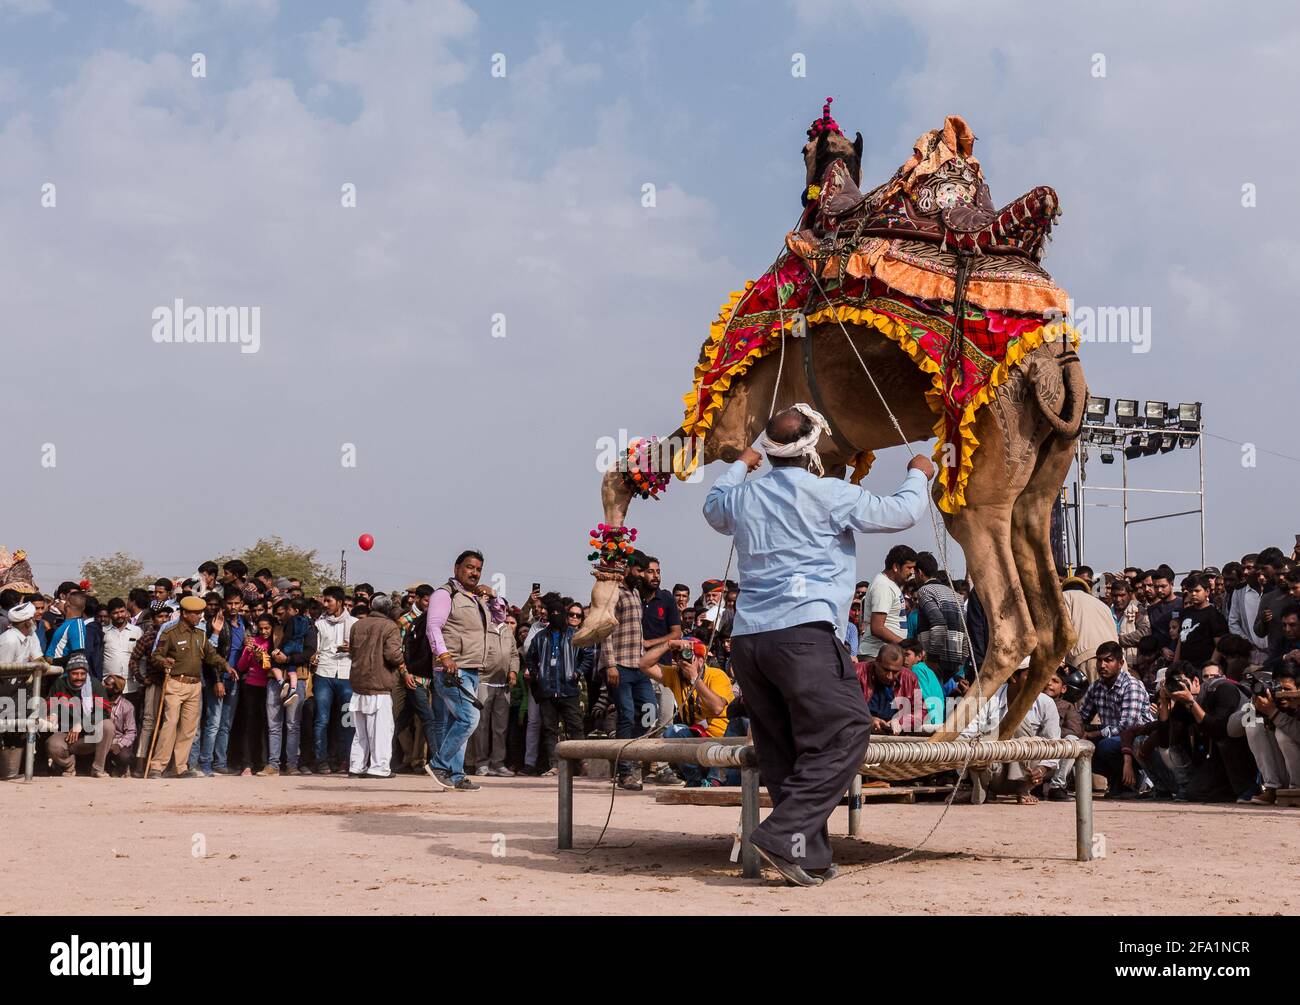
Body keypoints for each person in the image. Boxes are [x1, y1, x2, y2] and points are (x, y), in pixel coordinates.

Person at [705, 403, 932, 886]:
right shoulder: (830, 492)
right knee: (848, 730)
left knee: (784, 748)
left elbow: (712, 506)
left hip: (749, 642)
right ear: (811, 448)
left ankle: (806, 855)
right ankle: (782, 833)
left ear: (768, 451)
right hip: (802, 635)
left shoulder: (744, 496)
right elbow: (904, 512)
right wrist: (917, 473)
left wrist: (741, 463)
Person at [426, 550, 489, 791]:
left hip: (471, 669)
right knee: (469, 718)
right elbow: (433, 627)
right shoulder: (445, 594)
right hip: (452, 668)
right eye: (469, 567)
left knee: (458, 721)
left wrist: (490, 599)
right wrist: (444, 655)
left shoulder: (473, 598)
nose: (474, 573)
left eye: (478, 569)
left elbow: (496, 621)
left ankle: (455, 775)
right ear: (456, 568)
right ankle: (439, 764)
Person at [960, 657, 1061, 804]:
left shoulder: (1046, 703)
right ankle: (982, 790)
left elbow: (1054, 745)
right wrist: (977, 756)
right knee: (984, 737)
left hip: (1027, 776)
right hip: (992, 772)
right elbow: (966, 734)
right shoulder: (988, 697)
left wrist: (1042, 769)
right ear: (1014, 677)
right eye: (1030, 675)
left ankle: (1022, 790)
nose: (1037, 680)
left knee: (1027, 733)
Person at [148, 595, 227, 778]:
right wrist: (164, 661)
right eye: (195, 613)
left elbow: (211, 655)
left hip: (195, 685)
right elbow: (156, 656)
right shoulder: (170, 632)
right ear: (184, 613)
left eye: (200, 613)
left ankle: (180, 767)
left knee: (189, 728)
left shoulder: (200, 634)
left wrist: (226, 666)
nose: (199, 616)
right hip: (175, 683)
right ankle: (157, 766)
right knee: (171, 724)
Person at [639, 637, 735, 786]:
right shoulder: (675, 674)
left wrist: (695, 679)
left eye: (689, 655)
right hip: (695, 736)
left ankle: (713, 780)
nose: (683, 660)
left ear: (701, 660)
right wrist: (669, 644)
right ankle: (695, 780)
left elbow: (717, 708)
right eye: (679, 655)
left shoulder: (717, 675)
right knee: (671, 732)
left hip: (721, 738)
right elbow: (644, 664)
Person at [598, 553, 656, 790]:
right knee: (626, 714)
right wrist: (610, 663)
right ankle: (625, 772)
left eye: (645, 571)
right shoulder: (613, 593)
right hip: (619, 664)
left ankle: (627, 752)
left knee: (649, 712)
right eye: (639, 570)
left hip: (639, 665)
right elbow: (605, 630)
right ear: (628, 569)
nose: (642, 575)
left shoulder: (634, 592)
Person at [524, 598, 594, 776]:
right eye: (552, 613)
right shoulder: (540, 637)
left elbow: (588, 656)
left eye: (559, 613)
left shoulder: (575, 635)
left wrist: (577, 672)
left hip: (568, 689)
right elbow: (530, 657)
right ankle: (554, 765)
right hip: (547, 690)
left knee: (575, 727)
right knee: (550, 730)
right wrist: (536, 673)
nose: (556, 616)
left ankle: (582, 764)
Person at [1077, 641, 1154, 796]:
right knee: (1078, 747)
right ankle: (1118, 780)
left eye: (1108, 660)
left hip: (1138, 738)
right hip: (1113, 738)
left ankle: (1135, 780)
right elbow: (1082, 716)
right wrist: (1077, 731)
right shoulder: (1096, 687)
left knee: (1105, 746)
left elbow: (1128, 726)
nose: (1102, 665)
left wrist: (1095, 734)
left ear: (1120, 663)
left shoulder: (1131, 685)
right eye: (1099, 660)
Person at [345, 594, 403, 778]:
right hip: (379, 684)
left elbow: (352, 652)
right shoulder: (389, 626)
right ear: (388, 609)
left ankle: (357, 766)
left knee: (360, 731)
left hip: (358, 682)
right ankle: (379, 768)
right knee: (382, 730)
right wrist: (404, 656)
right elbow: (393, 656)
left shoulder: (357, 625)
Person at [468, 589, 518, 777]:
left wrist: (513, 671)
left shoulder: (506, 629)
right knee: (481, 725)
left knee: (500, 727)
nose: (501, 611)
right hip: (483, 681)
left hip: (502, 684)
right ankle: (481, 763)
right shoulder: (483, 626)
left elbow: (513, 654)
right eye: (497, 608)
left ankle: (498, 763)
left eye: (503, 608)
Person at [44, 654, 115, 777]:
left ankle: (98, 769)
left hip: (89, 735)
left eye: (82, 674)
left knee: (108, 726)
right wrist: (52, 714)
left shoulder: (95, 685)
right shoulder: (60, 683)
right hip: (67, 734)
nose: (79, 677)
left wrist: (81, 724)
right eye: (75, 674)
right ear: (68, 672)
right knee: (52, 745)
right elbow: (50, 704)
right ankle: (69, 767)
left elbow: (103, 712)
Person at [313, 586, 357, 774]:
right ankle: (321, 760)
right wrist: (313, 657)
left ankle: (345, 760)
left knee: (347, 720)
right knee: (322, 720)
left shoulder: (355, 624)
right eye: (324, 600)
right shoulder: (319, 624)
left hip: (347, 675)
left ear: (339, 602)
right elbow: (315, 650)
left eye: (329, 601)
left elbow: (363, 651)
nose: (325, 604)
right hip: (324, 673)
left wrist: (351, 650)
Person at [1243, 665, 1300, 804]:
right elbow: (1232, 730)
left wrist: (1273, 713)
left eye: (1286, 690)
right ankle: (1272, 788)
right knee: (1253, 726)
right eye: (1277, 688)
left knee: (1283, 734)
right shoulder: (1272, 701)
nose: (1281, 694)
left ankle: (1295, 790)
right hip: (1287, 773)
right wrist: (1252, 706)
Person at [859, 545, 916, 660]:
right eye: (909, 567)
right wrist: (905, 644)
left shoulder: (890, 584)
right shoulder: (883, 585)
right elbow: (877, 627)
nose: (912, 572)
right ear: (895, 566)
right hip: (875, 656)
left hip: (885, 656)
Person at [1061, 577, 1118, 680]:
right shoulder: (1103, 605)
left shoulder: (1064, 597)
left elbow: (1064, 631)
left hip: (1088, 659)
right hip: (1115, 659)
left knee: (1092, 695)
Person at [1173, 573, 1227, 668]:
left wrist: (1211, 665)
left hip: (1203, 667)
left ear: (1207, 592)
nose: (1193, 594)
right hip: (1185, 667)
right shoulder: (1186, 613)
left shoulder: (1214, 615)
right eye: (1190, 591)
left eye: (1197, 591)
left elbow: (1220, 644)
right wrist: (1175, 664)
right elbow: (1181, 640)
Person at [101, 667, 138, 776]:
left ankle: (120, 769)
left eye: (107, 684)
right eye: (104, 683)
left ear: (116, 689)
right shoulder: (99, 701)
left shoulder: (127, 707)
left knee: (125, 756)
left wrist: (119, 745)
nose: (103, 686)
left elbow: (131, 732)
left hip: (117, 742)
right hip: (101, 741)